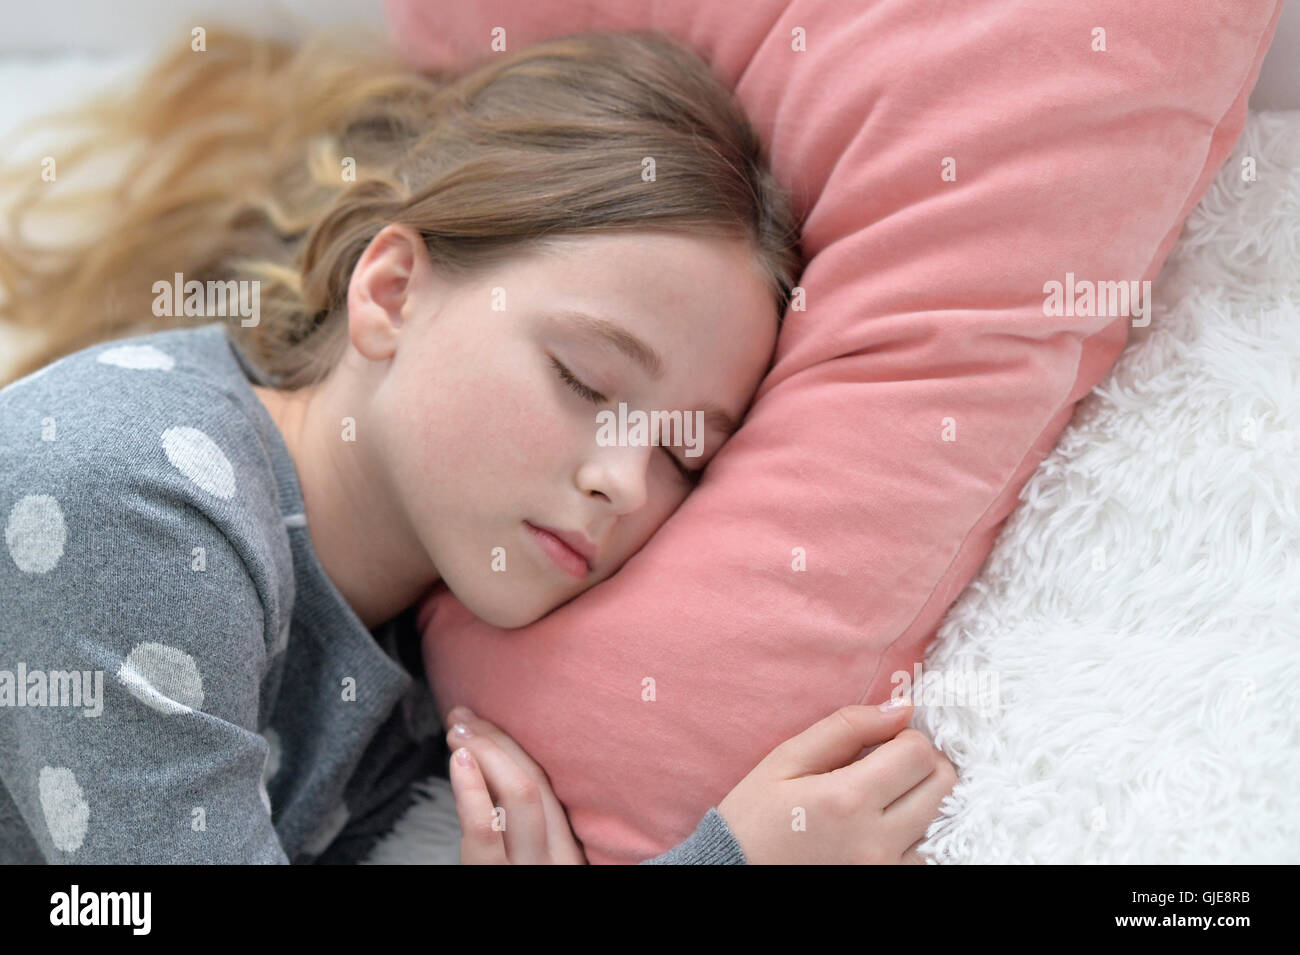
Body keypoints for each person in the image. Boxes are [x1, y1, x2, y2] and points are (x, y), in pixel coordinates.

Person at [0, 26, 955, 864]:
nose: (624, 482)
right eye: (586, 379)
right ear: (392, 290)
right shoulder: (130, 499)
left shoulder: (417, 667)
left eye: (681, 455)